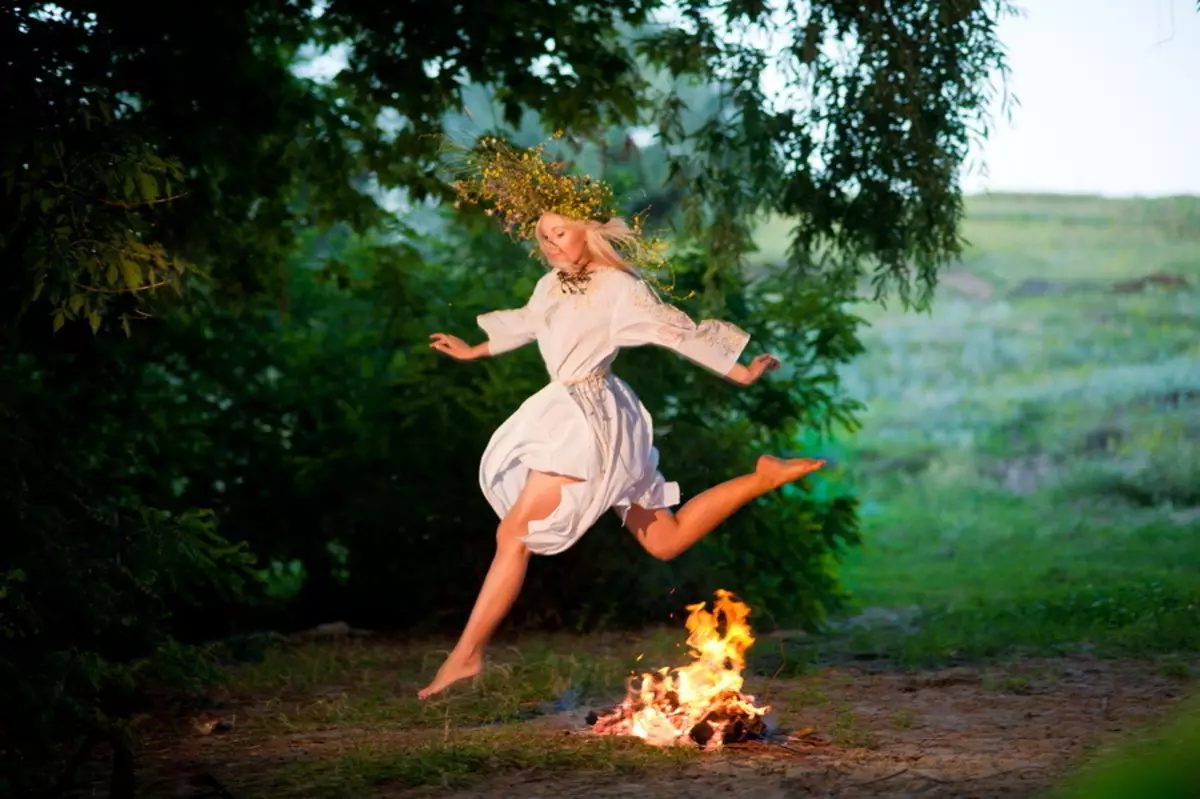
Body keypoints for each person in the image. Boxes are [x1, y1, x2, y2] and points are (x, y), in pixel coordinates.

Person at [419, 139, 825, 700]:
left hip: (589, 417)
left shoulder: (619, 286)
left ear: (589, 230)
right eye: (542, 235)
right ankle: (762, 477)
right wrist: (474, 351)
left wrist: (740, 372)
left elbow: (672, 330)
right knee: (665, 540)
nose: (549, 242)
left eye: (559, 231)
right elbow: (527, 323)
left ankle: (466, 655)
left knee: (512, 533)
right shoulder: (551, 284)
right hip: (584, 413)